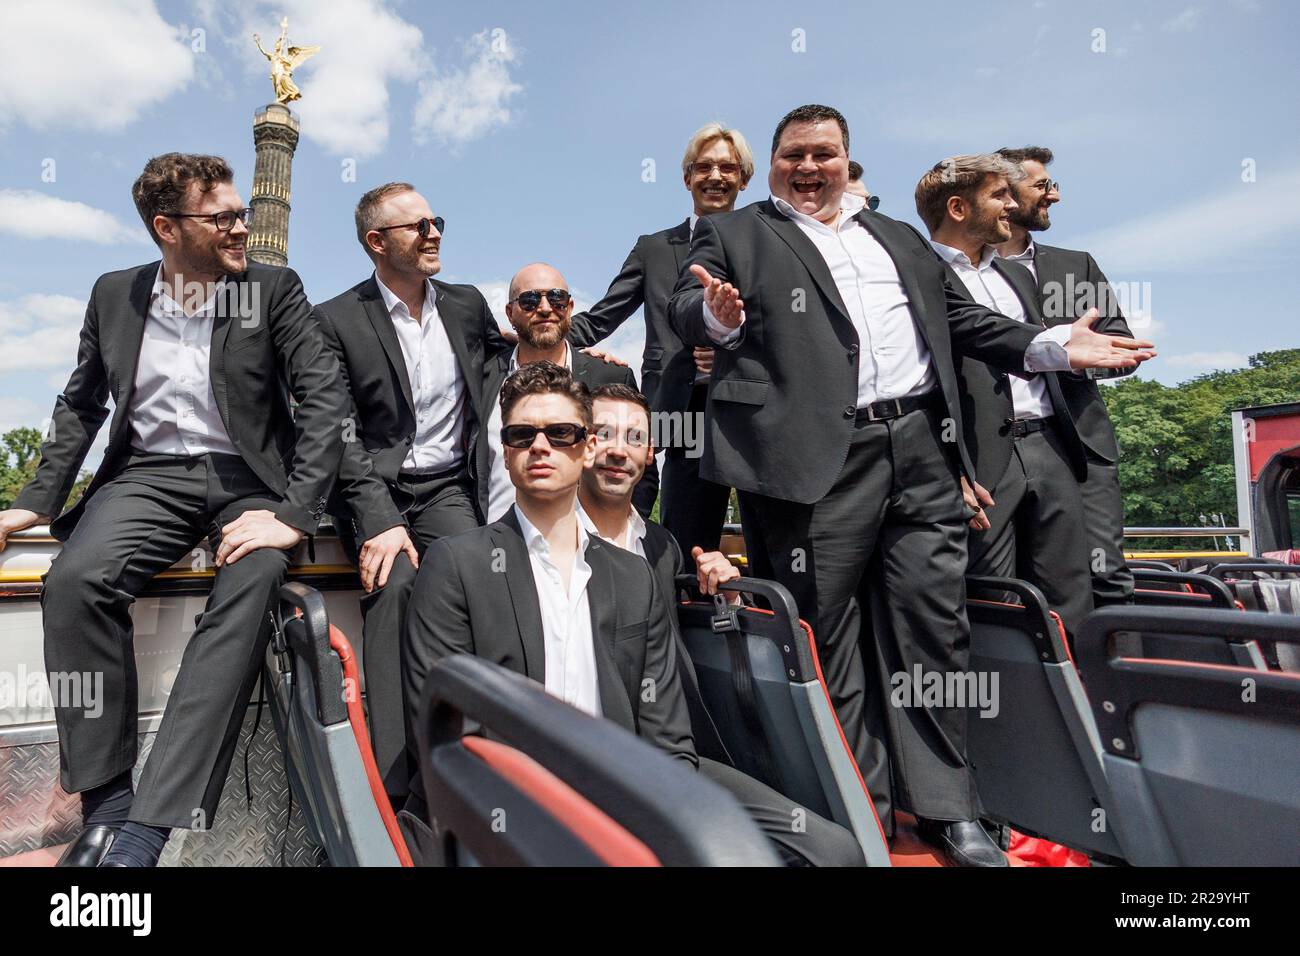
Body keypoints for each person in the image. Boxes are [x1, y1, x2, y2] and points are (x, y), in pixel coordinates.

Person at [669, 104, 1155, 866]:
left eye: (824, 154)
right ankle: (858, 810)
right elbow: (685, 310)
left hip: (921, 453)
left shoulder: (897, 238)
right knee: (828, 639)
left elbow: (967, 322)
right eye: (794, 154)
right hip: (815, 466)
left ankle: (948, 810)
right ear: (773, 164)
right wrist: (716, 316)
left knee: (934, 628)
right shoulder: (736, 233)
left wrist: (1055, 345)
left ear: (846, 160)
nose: (809, 167)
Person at [0, 153, 348, 867]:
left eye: (242, 213)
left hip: (250, 480)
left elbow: (324, 400)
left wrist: (293, 513)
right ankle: (106, 806)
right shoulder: (114, 294)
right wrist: (34, 503)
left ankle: (147, 831)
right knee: (74, 583)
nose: (240, 228)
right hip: (149, 476)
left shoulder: (270, 289)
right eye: (222, 218)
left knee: (254, 581)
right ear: (167, 228)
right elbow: (82, 403)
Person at [404, 364, 863, 865]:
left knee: (835, 854)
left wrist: (662, 822)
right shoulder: (456, 565)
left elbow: (667, 738)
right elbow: (444, 732)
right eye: (522, 435)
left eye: (560, 434)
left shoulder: (634, 575)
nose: (540, 446)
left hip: (621, 786)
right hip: (502, 804)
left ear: (585, 449)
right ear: (506, 451)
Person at [312, 182, 512, 803]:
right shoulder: (335, 320)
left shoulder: (467, 304)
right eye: (418, 226)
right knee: (394, 585)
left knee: (479, 583)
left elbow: (508, 359)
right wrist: (377, 518)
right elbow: (335, 430)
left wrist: (580, 355)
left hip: (448, 487)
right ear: (377, 242)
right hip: (375, 488)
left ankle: (484, 762)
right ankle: (397, 790)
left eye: (436, 221)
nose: (435, 233)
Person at [918, 154, 1094, 636]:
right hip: (979, 463)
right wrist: (950, 468)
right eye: (999, 195)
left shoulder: (1017, 276)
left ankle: (1075, 682)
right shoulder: (915, 277)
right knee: (992, 603)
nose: (1013, 205)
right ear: (958, 208)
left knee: (1070, 598)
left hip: (1050, 448)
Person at [569, 123, 757, 555]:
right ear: (687, 177)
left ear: (744, 179)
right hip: (680, 412)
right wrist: (545, 341)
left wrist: (733, 355)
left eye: (727, 168)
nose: (715, 176)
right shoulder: (653, 248)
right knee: (683, 535)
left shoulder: (766, 244)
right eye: (703, 167)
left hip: (750, 410)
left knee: (765, 531)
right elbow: (602, 316)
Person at [995, 146, 1138, 607]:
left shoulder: (1076, 266)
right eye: (1042, 186)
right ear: (1004, 193)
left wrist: (1075, 355)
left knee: (1104, 576)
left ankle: (1109, 656)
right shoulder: (952, 270)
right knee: (1003, 586)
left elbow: (1120, 344)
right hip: (991, 451)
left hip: (1078, 446)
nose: (1054, 195)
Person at [482, 263, 650, 522]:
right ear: (510, 313)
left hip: (588, 541)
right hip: (493, 536)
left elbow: (642, 468)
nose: (545, 308)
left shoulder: (610, 377)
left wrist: (620, 534)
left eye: (556, 298)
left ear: (570, 307)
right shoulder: (481, 377)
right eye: (529, 300)